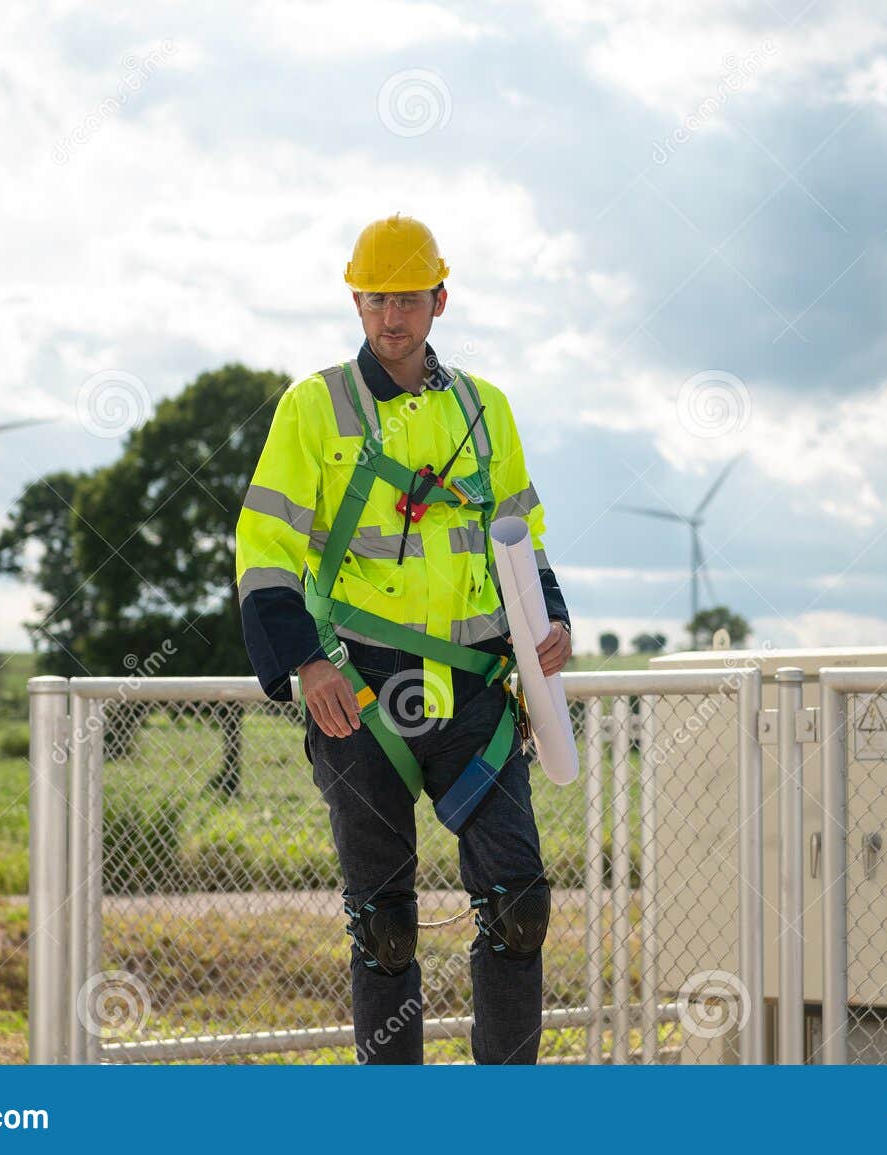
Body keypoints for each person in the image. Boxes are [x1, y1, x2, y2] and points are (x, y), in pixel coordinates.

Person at [234, 213, 572, 1064]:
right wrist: (305, 661)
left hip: (475, 693)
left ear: (440, 300)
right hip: (359, 690)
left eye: (410, 298)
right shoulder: (314, 408)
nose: (393, 317)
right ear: (355, 300)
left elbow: (519, 532)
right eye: (378, 299)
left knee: (520, 901)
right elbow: (265, 544)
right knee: (384, 927)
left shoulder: (485, 409)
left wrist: (549, 618)